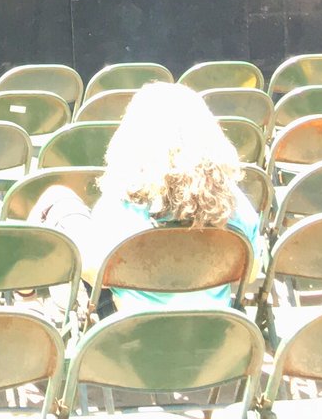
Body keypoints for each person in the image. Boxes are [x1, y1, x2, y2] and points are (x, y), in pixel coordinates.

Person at [29, 83, 259, 312]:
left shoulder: (121, 205)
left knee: (57, 198)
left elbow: (93, 271)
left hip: (132, 337)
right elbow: (253, 272)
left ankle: (26, 296)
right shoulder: (233, 203)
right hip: (213, 333)